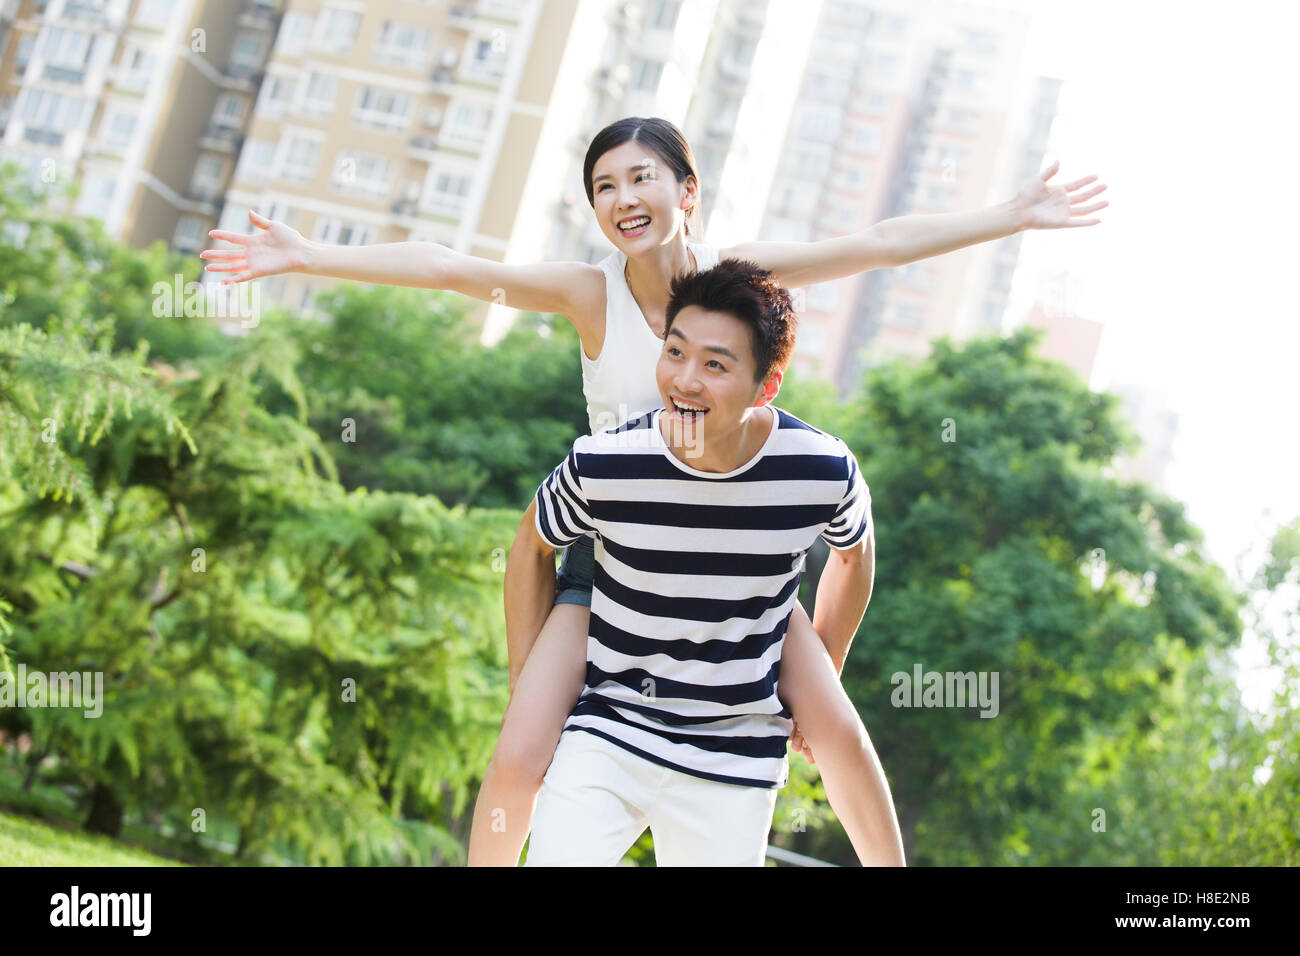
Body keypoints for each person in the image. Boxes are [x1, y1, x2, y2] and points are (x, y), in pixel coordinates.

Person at [200, 116, 1106, 865]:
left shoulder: (740, 280)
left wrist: (1011, 216)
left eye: (642, 178)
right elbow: (453, 268)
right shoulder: (587, 294)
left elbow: (874, 244)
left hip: (738, 568)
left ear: (687, 190)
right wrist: (308, 255)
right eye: (604, 187)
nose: (624, 199)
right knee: (522, 752)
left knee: (838, 731)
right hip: (620, 569)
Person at [524, 257, 888, 864]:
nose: (685, 380)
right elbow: (533, 543)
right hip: (612, 727)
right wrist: (526, 675)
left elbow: (853, 558)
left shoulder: (820, 470)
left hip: (735, 750)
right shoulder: (606, 464)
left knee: (846, 738)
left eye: (715, 365)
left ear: (766, 386)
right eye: (675, 352)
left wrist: (828, 660)